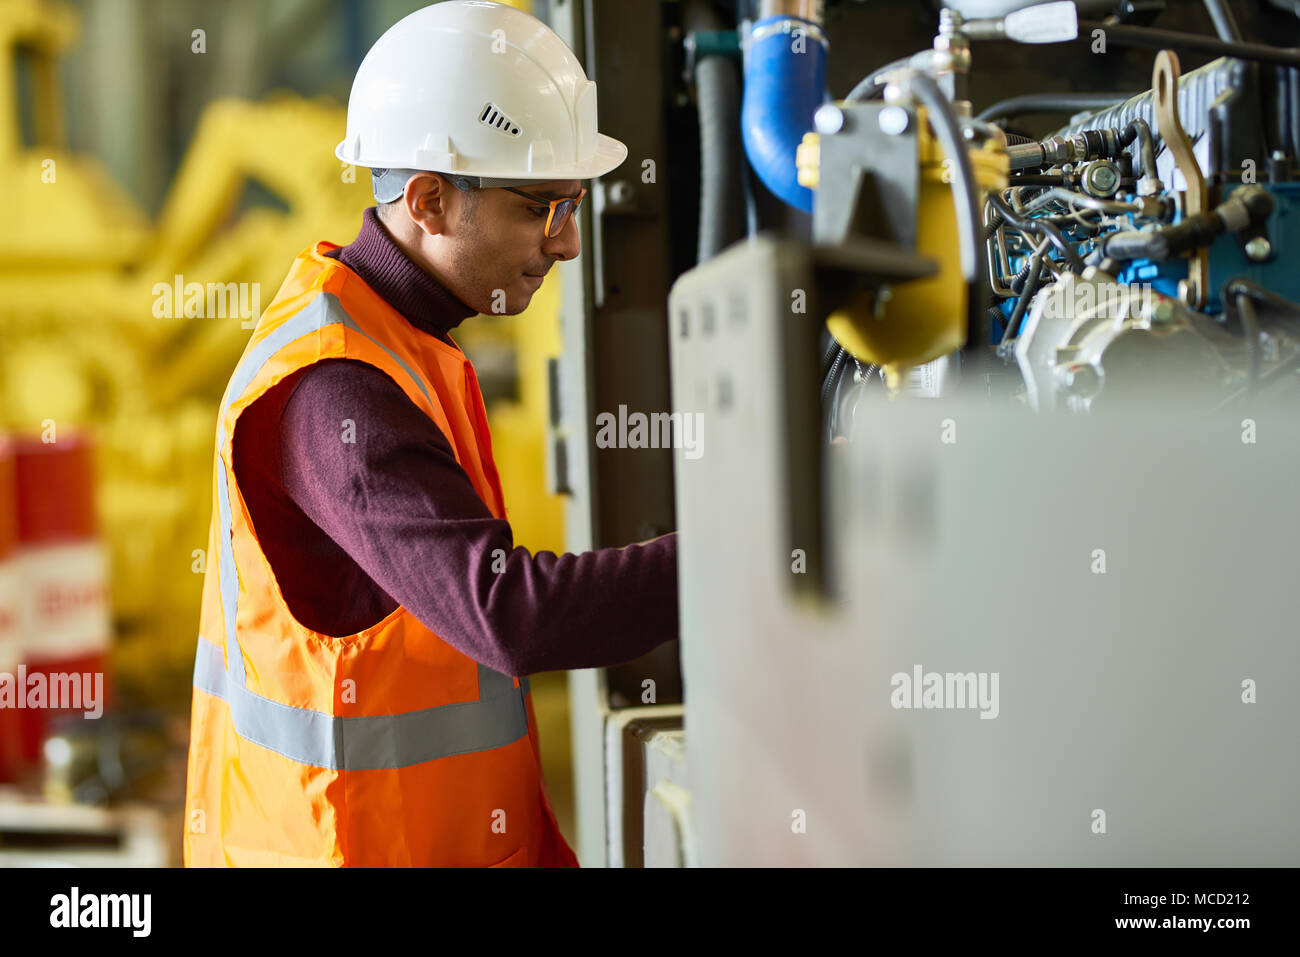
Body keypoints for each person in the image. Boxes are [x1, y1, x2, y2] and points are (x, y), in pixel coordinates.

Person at [184, 0, 678, 868]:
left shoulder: (398, 340)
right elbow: (512, 612)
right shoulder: (337, 392)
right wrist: (755, 540)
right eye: (541, 208)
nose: (565, 245)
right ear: (430, 199)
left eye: (573, 207)